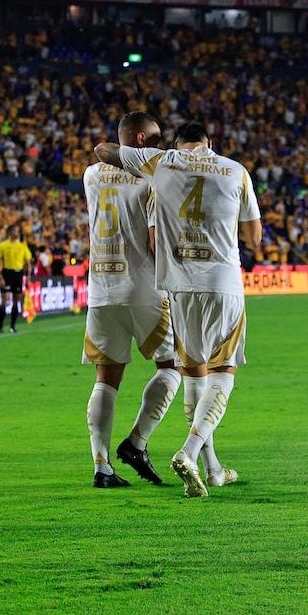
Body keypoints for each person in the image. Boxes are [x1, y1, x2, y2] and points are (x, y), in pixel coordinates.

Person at [95, 121, 261, 497]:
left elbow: (103, 151)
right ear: (209, 142)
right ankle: (189, 450)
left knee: (193, 374)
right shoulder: (235, 169)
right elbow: (254, 237)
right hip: (221, 282)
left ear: (176, 144)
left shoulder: (163, 164)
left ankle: (213, 469)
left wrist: (148, 157)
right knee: (223, 371)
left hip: (180, 287)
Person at [79, 111, 183, 489]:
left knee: (106, 377)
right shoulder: (152, 179)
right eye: (155, 140)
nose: (159, 147)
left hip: (101, 287)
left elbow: (104, 155)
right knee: (174, 366)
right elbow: (155, 244)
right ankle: (137, 442)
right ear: (140, 140)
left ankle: (101, 466)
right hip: (143, 287)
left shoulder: (91, 175)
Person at [0, 223, 31, 334]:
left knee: (16, 300)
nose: (17, 233)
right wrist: (0, 277)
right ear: (9, 232)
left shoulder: (22, 246)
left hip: (18, 273)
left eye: (18, 231)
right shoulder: (2, 246)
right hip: (7, 273)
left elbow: (28, 262)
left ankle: (12, 327)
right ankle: (0, 327)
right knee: (4, 300)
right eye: (14, 231)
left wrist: (28, 277)